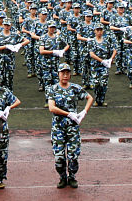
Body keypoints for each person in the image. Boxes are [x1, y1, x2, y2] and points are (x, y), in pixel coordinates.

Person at [46, 61, 93, 189]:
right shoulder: (52, 89)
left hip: (72, 127)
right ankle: (62, 177)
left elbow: (90, 98)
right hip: (58, 128)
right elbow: (51, 107)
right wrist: (68, 114)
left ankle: (72, 177)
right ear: (58, 74)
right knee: (59, 157)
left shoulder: (75, 88)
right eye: (63, 73)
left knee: (73, 156)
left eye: (67, 73)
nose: (65, 75)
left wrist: (84, 112)